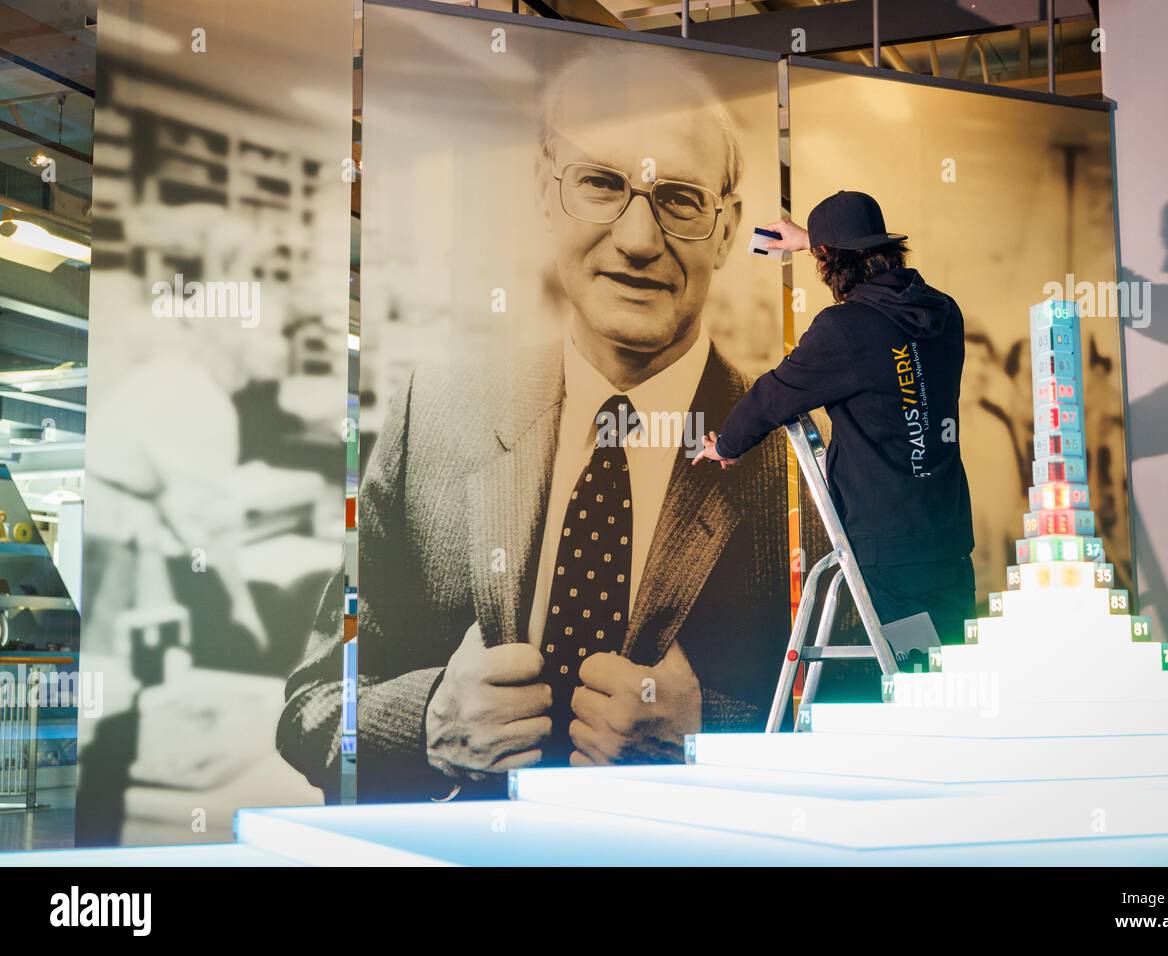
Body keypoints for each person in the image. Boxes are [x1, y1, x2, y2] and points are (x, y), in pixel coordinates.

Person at [278, 48, 791, 802]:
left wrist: (714, 736)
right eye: (601, 184)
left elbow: (888, 710)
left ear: (726, 228)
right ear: (547, 195)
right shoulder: (435, 415)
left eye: (678, 199)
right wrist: (427, 722)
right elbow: (312, 705)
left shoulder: (799, 464)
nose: (639, 239)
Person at [693, 191, 976, 647]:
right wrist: (815, 240)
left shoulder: (845, 330)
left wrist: (726, 444)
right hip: (948, 539)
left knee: (908, 688)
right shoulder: (944, 312)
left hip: (889, 547)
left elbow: (773, 395)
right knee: (956, 680)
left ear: (828, 261)